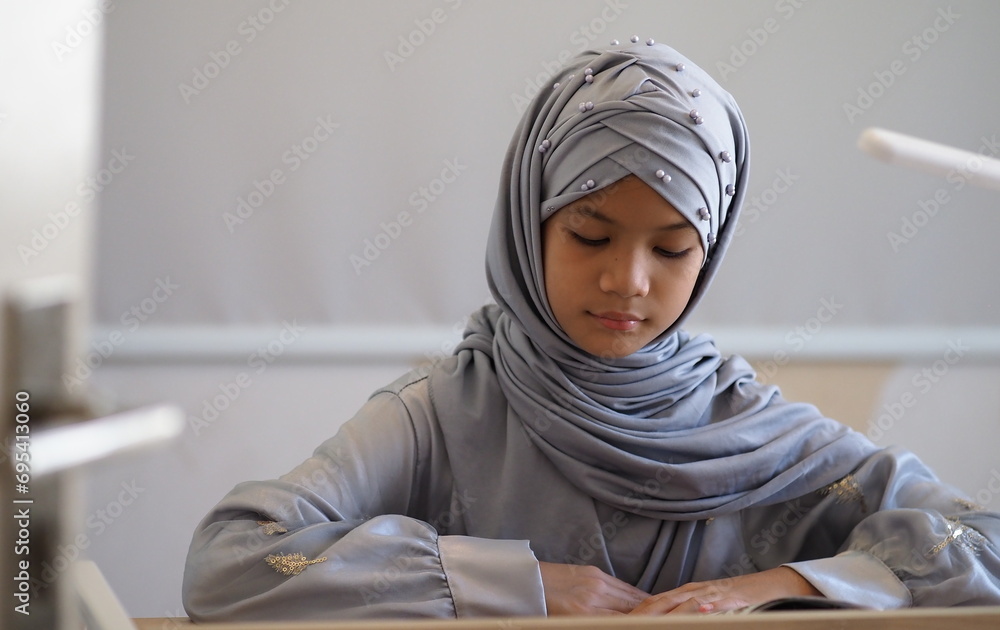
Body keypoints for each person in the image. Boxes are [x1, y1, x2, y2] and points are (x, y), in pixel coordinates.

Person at [182, 38, 1000, 620]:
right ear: (526, 223)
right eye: (590, 236)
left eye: (674, 249)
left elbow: (984, 541)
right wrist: (513, 583)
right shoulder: (440, 417)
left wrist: (784, 582)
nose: (627, 281)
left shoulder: (756, 435)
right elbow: (233, 559)